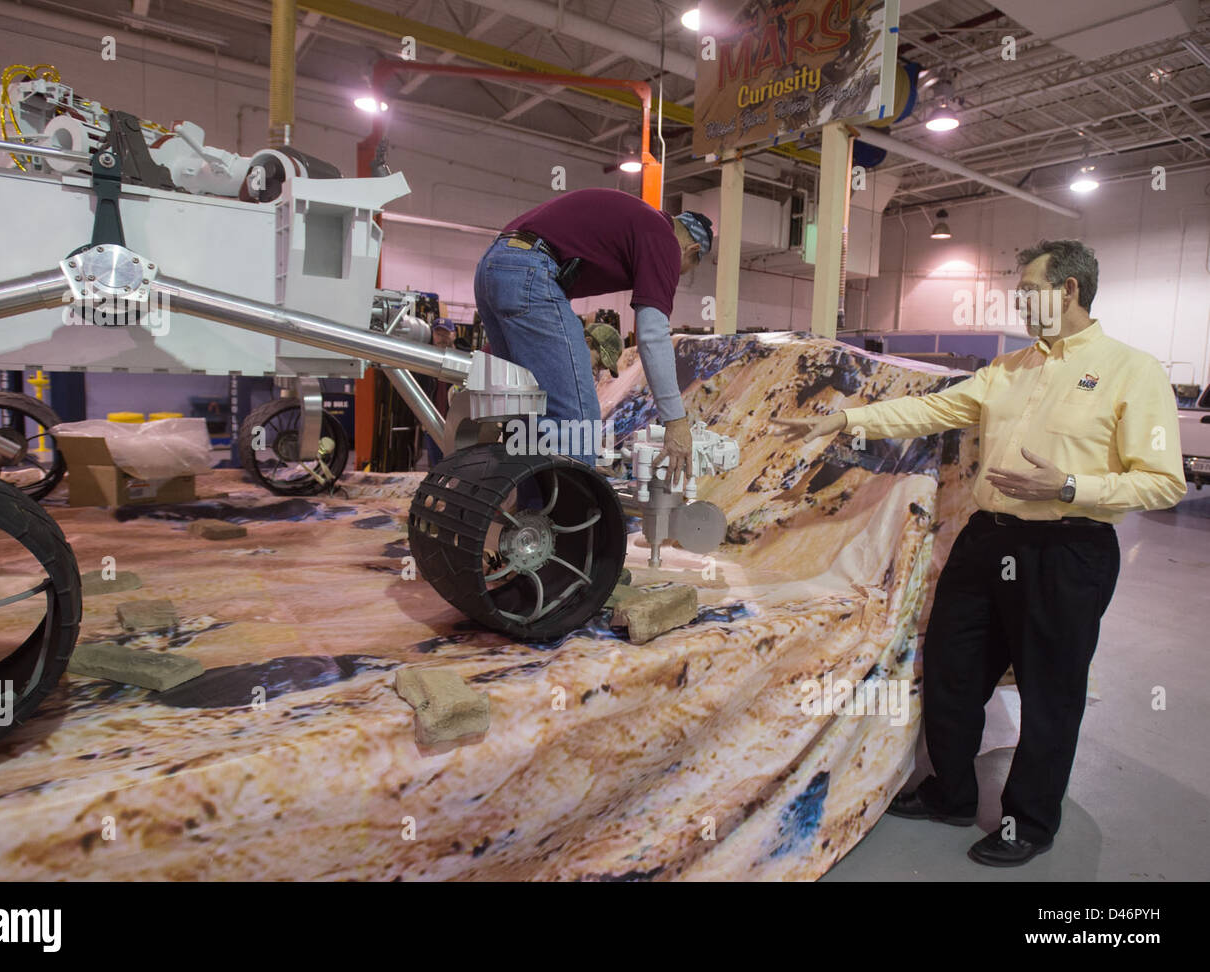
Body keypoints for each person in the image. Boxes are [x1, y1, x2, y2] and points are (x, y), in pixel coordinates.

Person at [775, 239, 1186, 867]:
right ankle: (952, 793)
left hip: (1067, 549)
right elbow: (932, 409)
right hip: (988, 538)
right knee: (951, 669)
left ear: (1068, 291)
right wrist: (845, 421)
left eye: (1028, 290)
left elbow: (1163, 481)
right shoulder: (1011, 368)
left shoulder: (1132, 370)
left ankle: (1030, 821)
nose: (1019, 302)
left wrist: (1071, 486)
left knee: (1051, 693)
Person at [473, 187, 712, 484]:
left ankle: (529, 520)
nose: (676, 274)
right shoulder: (664, 239)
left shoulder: (637, 223)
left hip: (493, 266)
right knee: (576, 420)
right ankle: (568, 527)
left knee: (526, 412)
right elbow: (652, 334)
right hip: (529, 269)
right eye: (684, 270)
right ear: (691, 251)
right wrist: (676, 422)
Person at [421, 319, 457, 468]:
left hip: (456, 427)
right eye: (438, 333)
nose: (441, 337)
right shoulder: (425, 360)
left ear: (454, 335)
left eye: (445, 333)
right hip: (433, 423)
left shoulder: (463, 360)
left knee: (456, 467)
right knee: (436, 468)